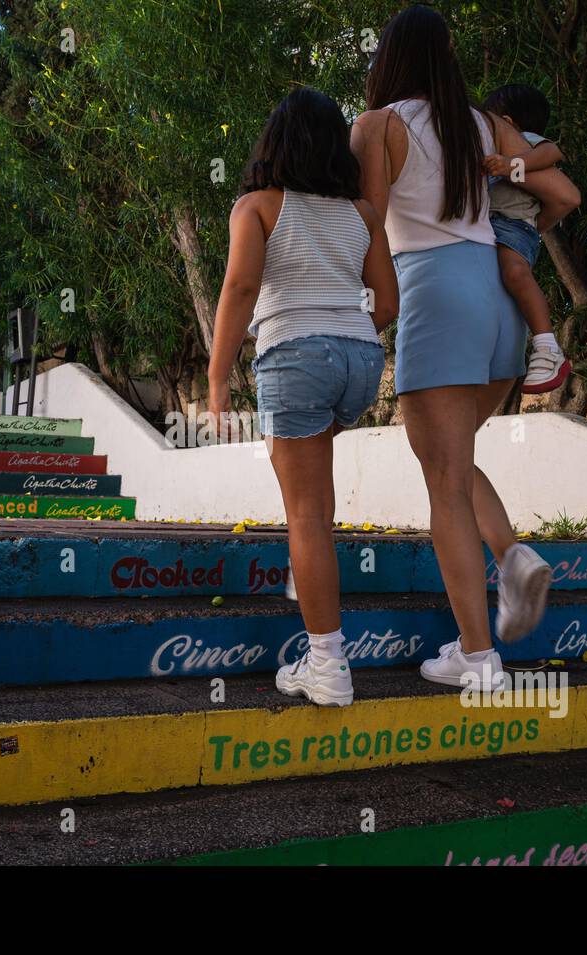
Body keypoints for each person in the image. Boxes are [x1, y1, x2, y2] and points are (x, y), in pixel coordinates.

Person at [350, 6, 581, 688]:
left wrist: (361, 310)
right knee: (451, 460)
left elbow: (368, 224)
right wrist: (530, 229)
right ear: (447, 57)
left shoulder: (377, 125)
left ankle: (479, 659)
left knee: (443, 483)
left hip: (436, 293)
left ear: (387, 58)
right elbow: (560, 188)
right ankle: (512, 558)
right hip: (498, 300)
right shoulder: (485, 124)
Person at [208, 87, 398, 707]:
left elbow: (239, 289)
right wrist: (345, 341)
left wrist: (217, 380)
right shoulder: (363, 214)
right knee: (316, 507)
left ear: (275, 143)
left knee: (307, 516)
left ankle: (327, 666)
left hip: (296, 356)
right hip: (360, 364)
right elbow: (388, 304)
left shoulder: (257, 207)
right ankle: (308, 570)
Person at [481, 83, 572, 393]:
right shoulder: (491, 150)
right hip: (490, 225)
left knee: (514, 272)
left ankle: (547, 346)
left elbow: (553, 150)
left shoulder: (522, 143)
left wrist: (511, 164)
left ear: (506, 122)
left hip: (512, 224)